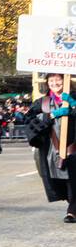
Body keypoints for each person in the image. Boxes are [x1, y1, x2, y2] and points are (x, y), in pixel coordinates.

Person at [25, 73, 76, 222]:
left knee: (72, 178)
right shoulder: (41, 103)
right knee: (58, 180)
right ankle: (72, 205)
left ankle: (72, 211)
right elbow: (29, 121)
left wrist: (73, 105)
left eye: (58, 79)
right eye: (51, 80)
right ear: (47, 83)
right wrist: (51, 115)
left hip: (73, 145)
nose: (55, 83)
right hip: (51, 149)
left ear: (65, 80)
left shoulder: (73, 97)